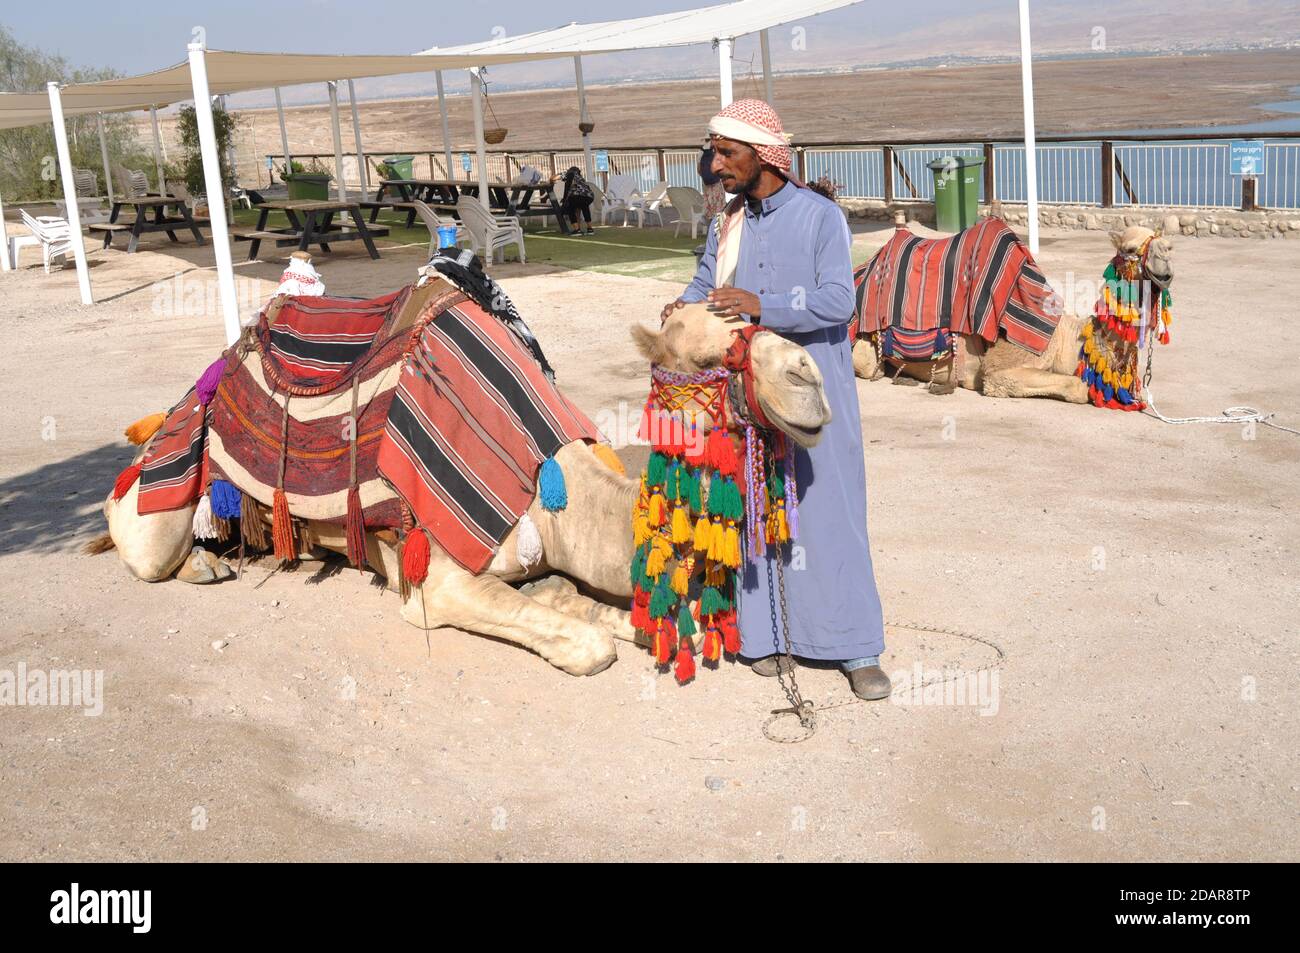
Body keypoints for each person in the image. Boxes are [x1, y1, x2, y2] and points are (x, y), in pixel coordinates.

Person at [660, 99, 890, 701]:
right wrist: (681, 308)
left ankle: (855, 647)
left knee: (828, 508)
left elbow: (839, 302)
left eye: (726, 153)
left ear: (763, 156)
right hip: (748, 390)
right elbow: (708, 283)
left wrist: (764, 306)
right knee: (757, 504)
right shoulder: (727, 222)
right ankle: (768, 636)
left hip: (814, 389)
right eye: (713, 152)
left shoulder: (820, 218)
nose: (715, 165)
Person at [554, 165, 595, 236]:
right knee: (584, 208)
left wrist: (553, 177)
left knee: (570, 209)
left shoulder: (569, 173)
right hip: (589, 196)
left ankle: (577, 230)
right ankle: (590, 229)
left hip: (576, 196)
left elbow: (555, 178)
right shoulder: (581, 177)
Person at [698, 139, 726, 220]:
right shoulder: (718, 148)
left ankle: (710, 223)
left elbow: (699, 170)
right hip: (716, 181)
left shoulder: (701, 150)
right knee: (719, 204)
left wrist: (706, 175)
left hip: (706, 183)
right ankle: (718, 224)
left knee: (709, 203)